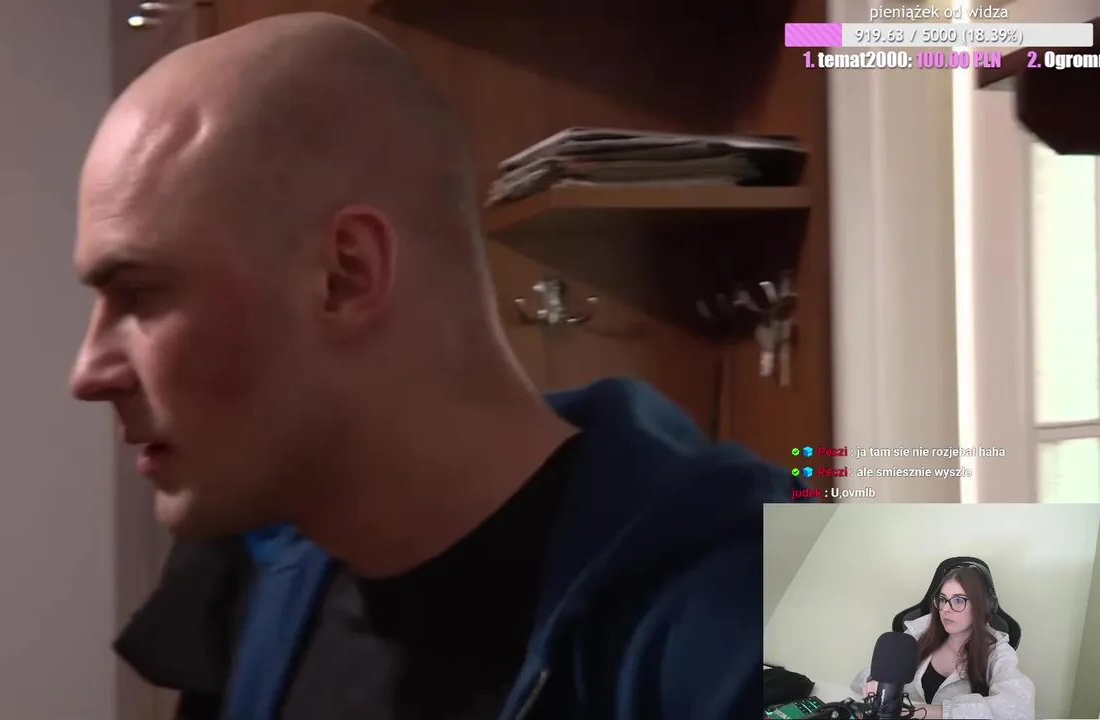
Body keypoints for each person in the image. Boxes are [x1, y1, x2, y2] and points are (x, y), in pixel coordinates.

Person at [68, 11, 806, 720]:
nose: (88, 373)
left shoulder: (808, 608)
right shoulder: (266, 574)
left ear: (345, 276)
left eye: (140, 294)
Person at [850, 565, 1034, 719]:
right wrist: (876, 683)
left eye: (958, 600)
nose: (946, 609)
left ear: (982, 606)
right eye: (943, 599)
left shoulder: (997, 652)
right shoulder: (918, 633)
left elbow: (1019, 710)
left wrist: (926, 711)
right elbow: (863, 680)